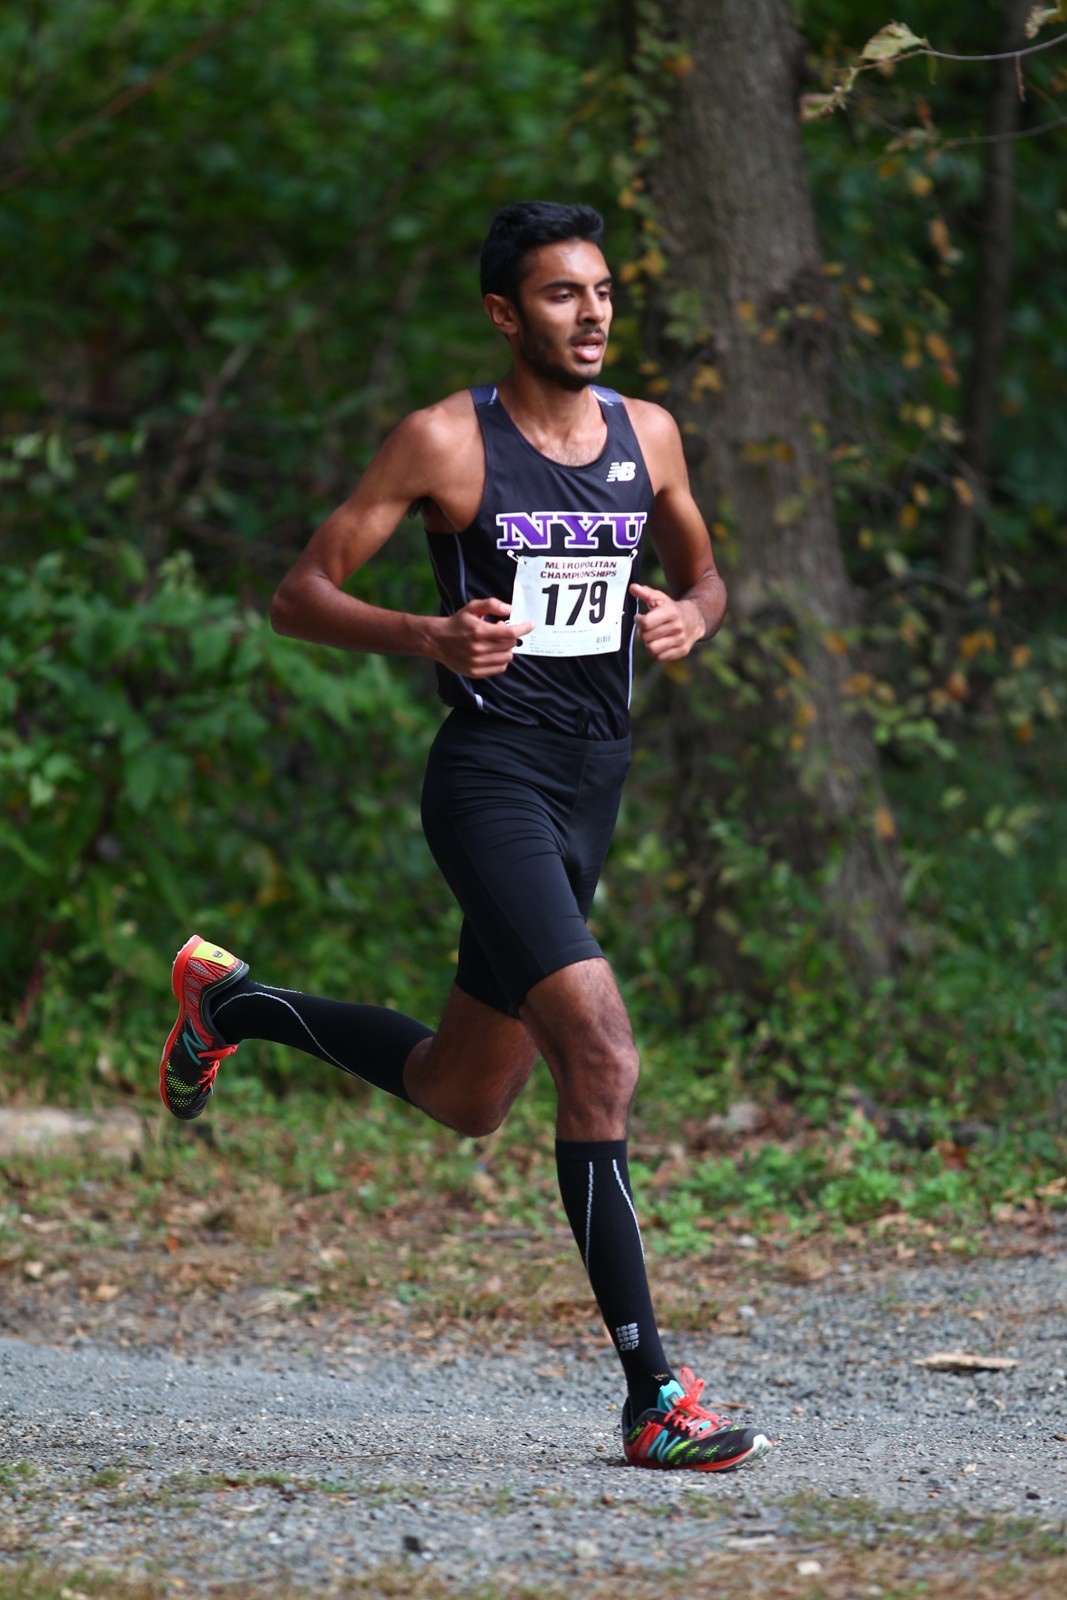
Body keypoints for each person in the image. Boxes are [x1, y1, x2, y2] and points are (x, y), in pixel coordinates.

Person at [160, 201, 772, 1473]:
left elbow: (709, 575)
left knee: (466, 1091)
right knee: (597, 1053)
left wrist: (693, 618)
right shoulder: (448, 440)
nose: (593, 313)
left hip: (591, 781)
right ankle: (653, 1393)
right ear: (506, 313)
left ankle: (232, 1008)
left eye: (602, 291)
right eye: (561, 295)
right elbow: (299, 596)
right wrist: (428, 635)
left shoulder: (646, 432)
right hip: (488, 781)